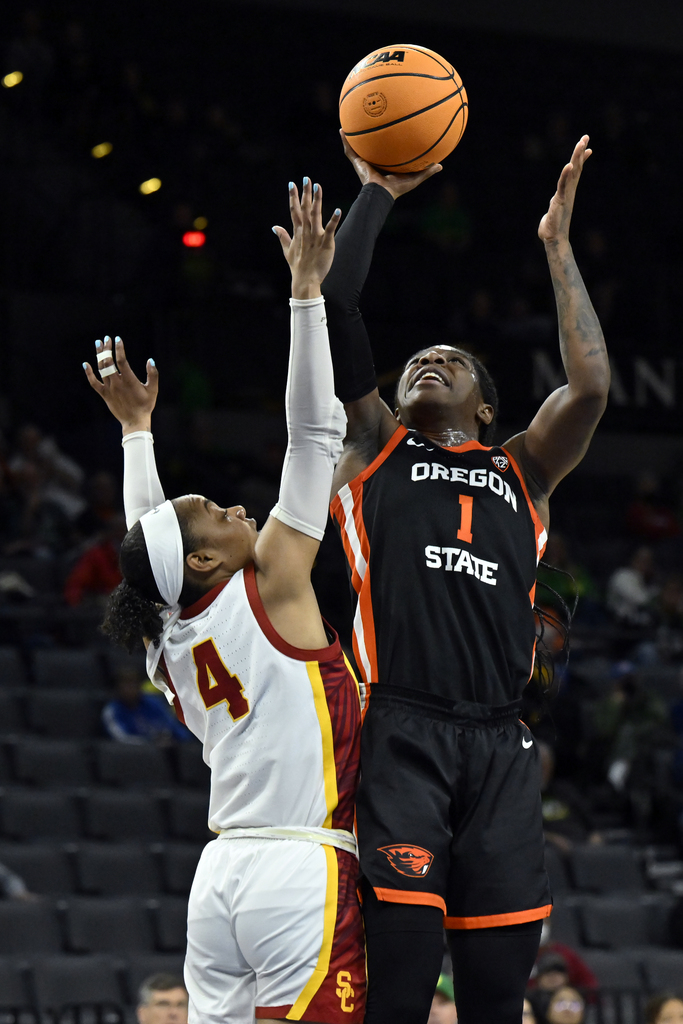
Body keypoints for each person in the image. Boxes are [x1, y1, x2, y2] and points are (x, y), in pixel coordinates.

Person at [323, 133, 610, 1024]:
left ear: (486, 406)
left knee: (494, 1000)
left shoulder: (521, 465)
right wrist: (377, 193)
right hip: (399, 729)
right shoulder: (373, 446)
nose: (426, 359)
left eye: (451, 359)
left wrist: (559, 253)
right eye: (416, 358)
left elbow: (590, 384)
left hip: (499, 744)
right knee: (401, 992)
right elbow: (337, 302)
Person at [84, 180, 366, 1024]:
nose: (240, 508)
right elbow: (314, 435)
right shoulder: (274, 579)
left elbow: (150, 541)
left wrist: (139, 434)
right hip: (298, 870)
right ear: (207, 556)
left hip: (221, 884)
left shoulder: (163, 627)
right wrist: (305, 297)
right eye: (216, 512)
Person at [102, 668, 192, 744]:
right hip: (134, 756)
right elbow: (121, 738)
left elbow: (174, 727)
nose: (130, 689)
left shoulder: (154, 703)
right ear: (118, 688)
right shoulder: (112, 710)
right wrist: (151, 741)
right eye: (126, 685)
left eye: (133, 684)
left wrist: (176, 739)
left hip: (164, 752)